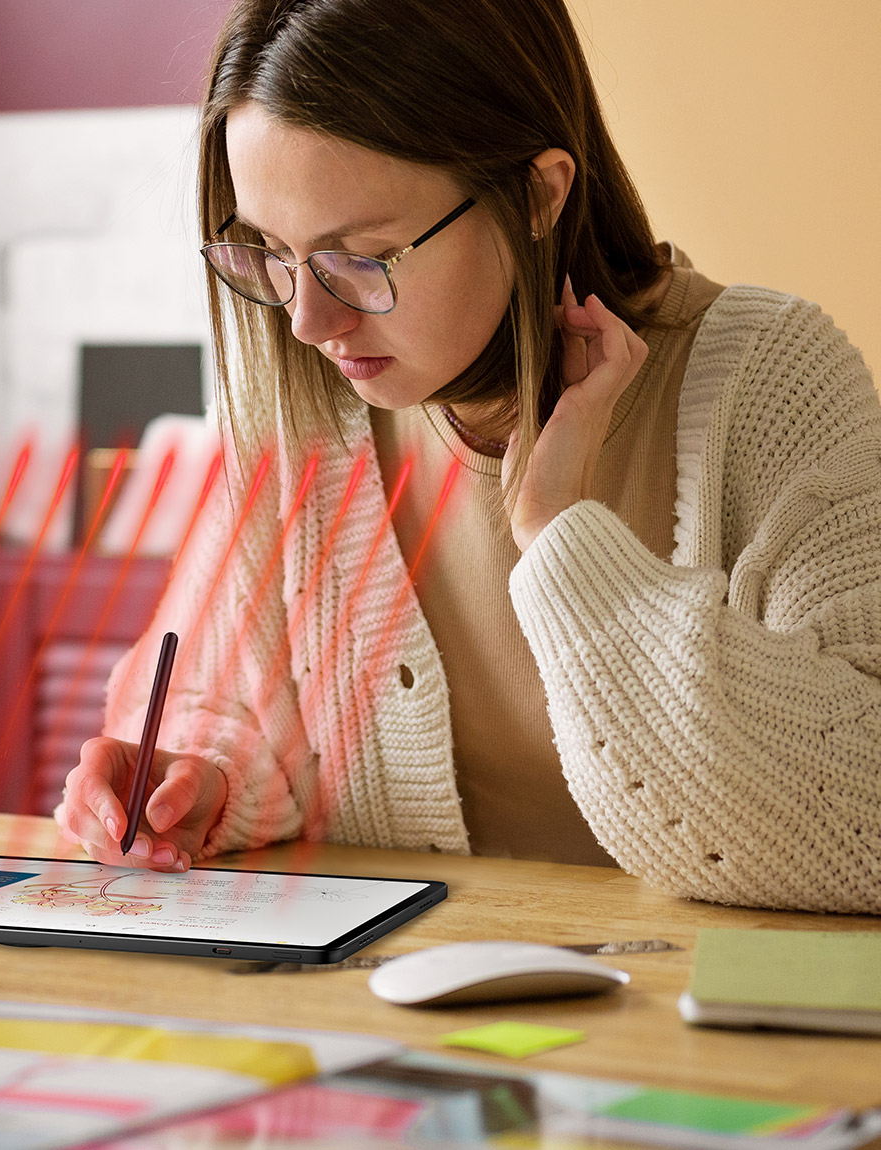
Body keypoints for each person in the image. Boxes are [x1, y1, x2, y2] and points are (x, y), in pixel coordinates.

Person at [57, 0, 881, 913]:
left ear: (539, 194)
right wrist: (198, 783)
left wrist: (565, 538)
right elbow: (226, 699)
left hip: (684, 1028)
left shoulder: (771, 380)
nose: (307, 320)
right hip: (388, 1020)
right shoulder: (306, 408)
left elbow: (858, 820)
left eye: (361, 258)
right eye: (269, 253)